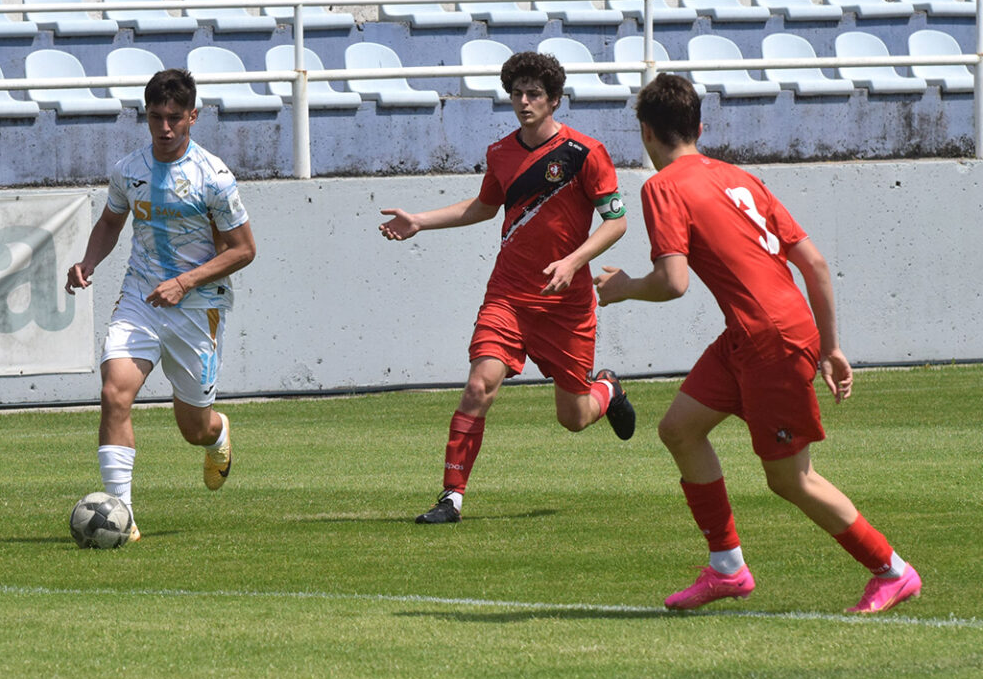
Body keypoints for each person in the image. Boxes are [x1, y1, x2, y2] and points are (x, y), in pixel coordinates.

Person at [594, 74, 921, 613]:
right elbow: (814, 263)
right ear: (699, 128)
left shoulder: (662, 186)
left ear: (646, 132)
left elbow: (673, 282)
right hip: (754, 334)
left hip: (769, 339)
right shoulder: (739, 177)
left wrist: (625, 287)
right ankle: (727, 569)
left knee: (791, 479)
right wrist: (830, 346)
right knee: (679, 429)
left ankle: (892, 570)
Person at [377, 51, 636, 525]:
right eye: (517, 93)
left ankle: (608, 389)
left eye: (534, 94)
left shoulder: (585, 153)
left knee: (574, 417)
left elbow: (616, 222)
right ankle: (451, 498)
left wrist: (573, 260)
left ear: (554, 100)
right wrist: (419, 220)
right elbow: (482, 207)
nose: (524, 101)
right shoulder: (500, 153)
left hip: (566, 304)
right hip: (509, 296)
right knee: (478, 386)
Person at [65, 69, 257, 542]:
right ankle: (122, 518)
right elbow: (110, 223)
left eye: (175, 118)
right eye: (156, 117)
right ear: (146, 116)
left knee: (193, 428)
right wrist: (87, 262)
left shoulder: (215, 178)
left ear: (193, 116)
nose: (165, 128)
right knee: (114, 393)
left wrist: (184, 282)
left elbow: (244, 250)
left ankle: (217, 434)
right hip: (141, 298)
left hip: (197, 307)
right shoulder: (128, 170)